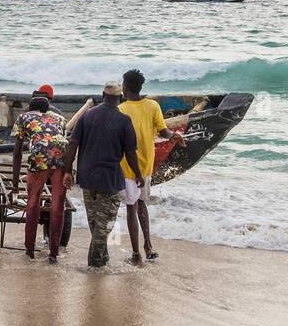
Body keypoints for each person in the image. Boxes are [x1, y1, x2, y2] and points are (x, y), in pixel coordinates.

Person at [61, 82, 142, 268]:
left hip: (87, 178)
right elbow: (130, 153)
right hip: (109, 180)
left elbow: (72, 143)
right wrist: (138, 174)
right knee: (103, 227)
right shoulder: (124, 121)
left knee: (96, 224)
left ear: (102, 95)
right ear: (120, 98)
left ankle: (102, 261)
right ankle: (95, 266)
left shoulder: (87, 116)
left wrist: (67, 171)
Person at [120, 68, 185, 264]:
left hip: (127, 167)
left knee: (131, 208)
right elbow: (164, 132)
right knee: (142, 205)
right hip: (146, 165)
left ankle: (135, 254)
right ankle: (148, 246)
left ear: (125, 87)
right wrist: (174, 136)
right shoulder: (153, 106)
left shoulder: (121, 109)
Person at [10, 85, 70, 262]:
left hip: (39, 156)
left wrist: (14, 184)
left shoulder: (23, 117)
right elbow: (60, 139)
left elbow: (17, 151)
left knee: (33, 202)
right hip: (61, 155)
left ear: (30, 107)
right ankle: (53, 254)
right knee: (58, 206)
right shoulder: (59, 118)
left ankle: (30, 251)